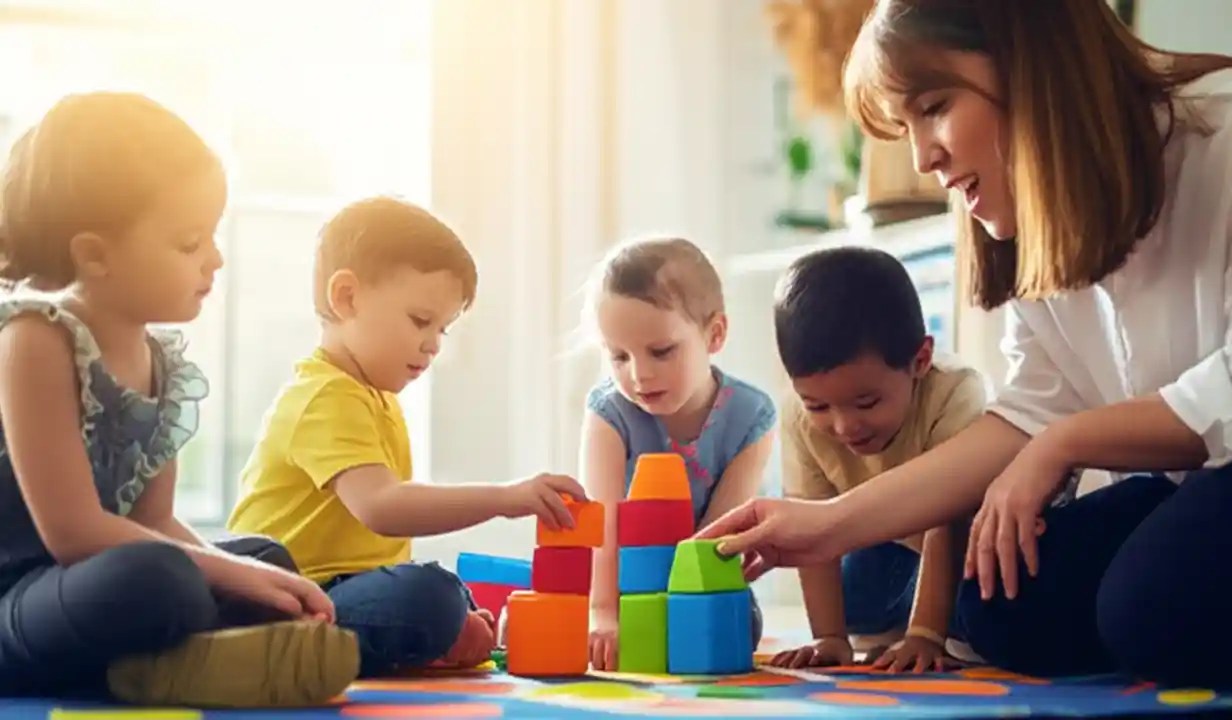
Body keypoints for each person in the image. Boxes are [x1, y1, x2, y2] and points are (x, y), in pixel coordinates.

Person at [697, 0, 1232, 690]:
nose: (923, 158)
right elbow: (1027, 414)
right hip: (1203, 481)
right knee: (1001, 600)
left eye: (934, 108)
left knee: (1154, 606)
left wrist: (1063, 443)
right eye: (908, 127)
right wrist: (828, 525)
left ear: (1034, 71)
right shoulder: (1043, 223)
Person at [0, 92, 357, 707]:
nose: (215, 259)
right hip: (22, 590)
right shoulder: (35, 339)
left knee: (267, 558)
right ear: (95, 255)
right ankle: (152, 661)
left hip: (100, 576)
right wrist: (228, 574)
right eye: (190, 242)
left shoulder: (160, 360)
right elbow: (74, 533)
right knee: (163, 580)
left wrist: (248, 572)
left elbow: (156, 520)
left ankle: (162, 661)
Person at [226, 196, 587, 677]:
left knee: (440, 592)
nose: (433, 344)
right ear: (347, 297)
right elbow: (382, 507)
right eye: (420, 321)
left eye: (443, 329)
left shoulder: (374, 396)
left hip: (341, 590)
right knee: (429, 596)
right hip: (288, 596)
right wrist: (504, 498)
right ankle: (398, 637)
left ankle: (436, 632)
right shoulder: (325, 396)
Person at [766, 246, 986, 673]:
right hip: (890, 549)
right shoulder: (797, 416)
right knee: (855, 597)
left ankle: (932, 622)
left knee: (980, 610)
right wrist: (829, 637)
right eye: (818, 406)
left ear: (920, 360)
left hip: (966, 545)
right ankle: (907, 617)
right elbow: (811, 529)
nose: (844, 426)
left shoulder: (954, 392)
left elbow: (949, 521)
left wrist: (925, 634)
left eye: (866, 402)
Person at [579, 237, 776, 672]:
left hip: (695, 581)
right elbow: (600, 527)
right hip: (618, 584)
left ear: (714, 334)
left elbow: (719, 536)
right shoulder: (610, 413)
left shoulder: (751, 417)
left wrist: (682, 611)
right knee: (578, 626)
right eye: (619, 356)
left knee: (743, 624)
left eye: (661, 352)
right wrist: (603, 612)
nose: (639, 375)